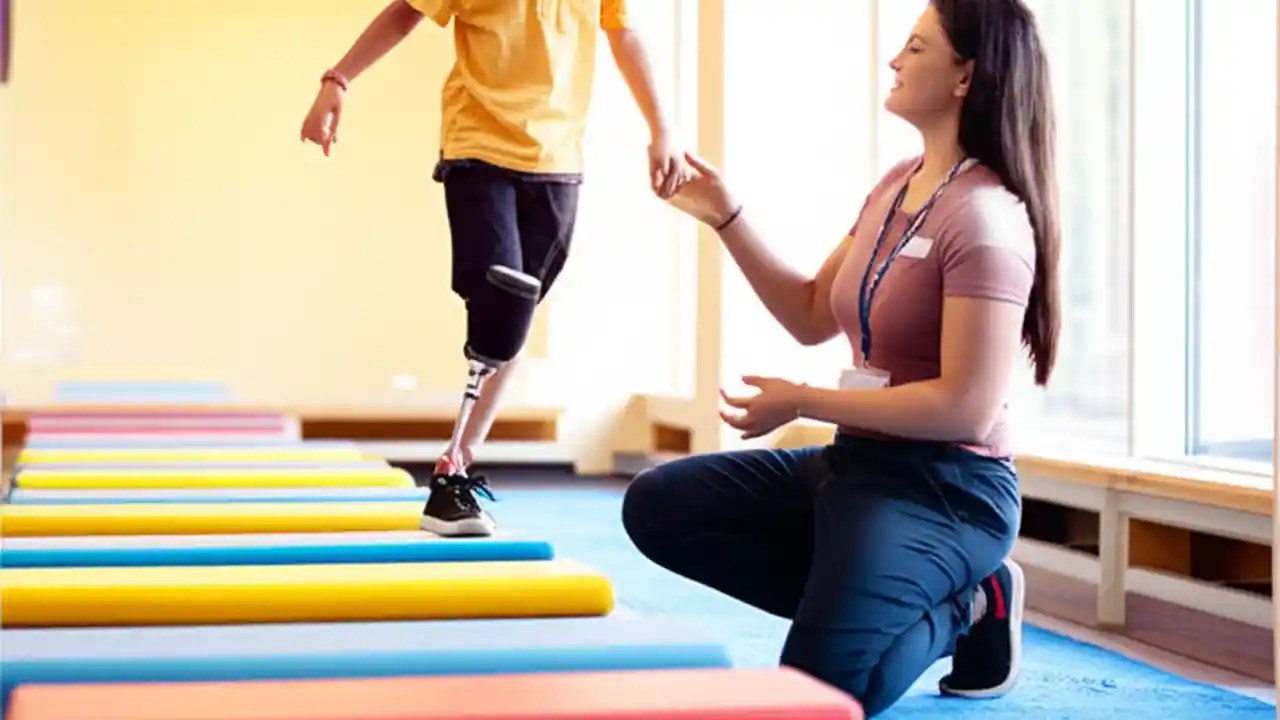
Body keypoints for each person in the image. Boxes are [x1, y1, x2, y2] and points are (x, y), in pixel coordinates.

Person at [621, 0, 1059, 715]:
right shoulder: (897, 184)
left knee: (820, 695)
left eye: (916, 47)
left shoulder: (985, 220)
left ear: (964, 76)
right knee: (659, 506)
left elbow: (964, 406)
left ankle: (972, 603)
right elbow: (807, 314)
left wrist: (804, 401)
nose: (895, 59)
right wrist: (727, 216)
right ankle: (861, 595)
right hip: (855, 464)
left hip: (947, 490)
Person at [300, 0, 689, 537]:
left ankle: (455, 466)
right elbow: (405, 12)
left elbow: (623, 34)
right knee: (500, 301)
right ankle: (452, 474)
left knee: (516, 319)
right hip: (478, 146)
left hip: (558, 161)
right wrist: (338, 79)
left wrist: (662, 129)